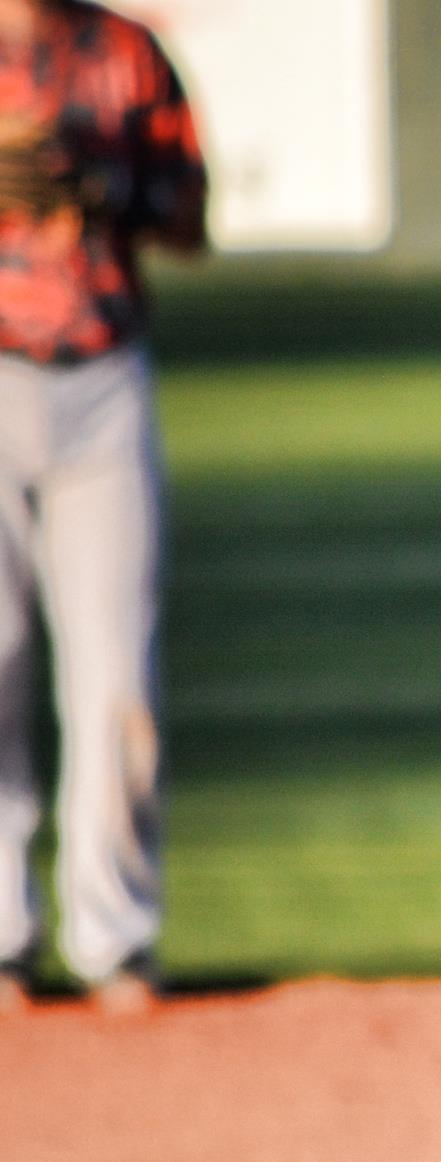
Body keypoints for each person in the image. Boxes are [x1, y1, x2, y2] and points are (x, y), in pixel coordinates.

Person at [0, 0, 205, 1014]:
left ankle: (114, 938)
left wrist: (102, 185)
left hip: (103, 374)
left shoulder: (125, 54)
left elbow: (191, 218)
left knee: (118, 670)